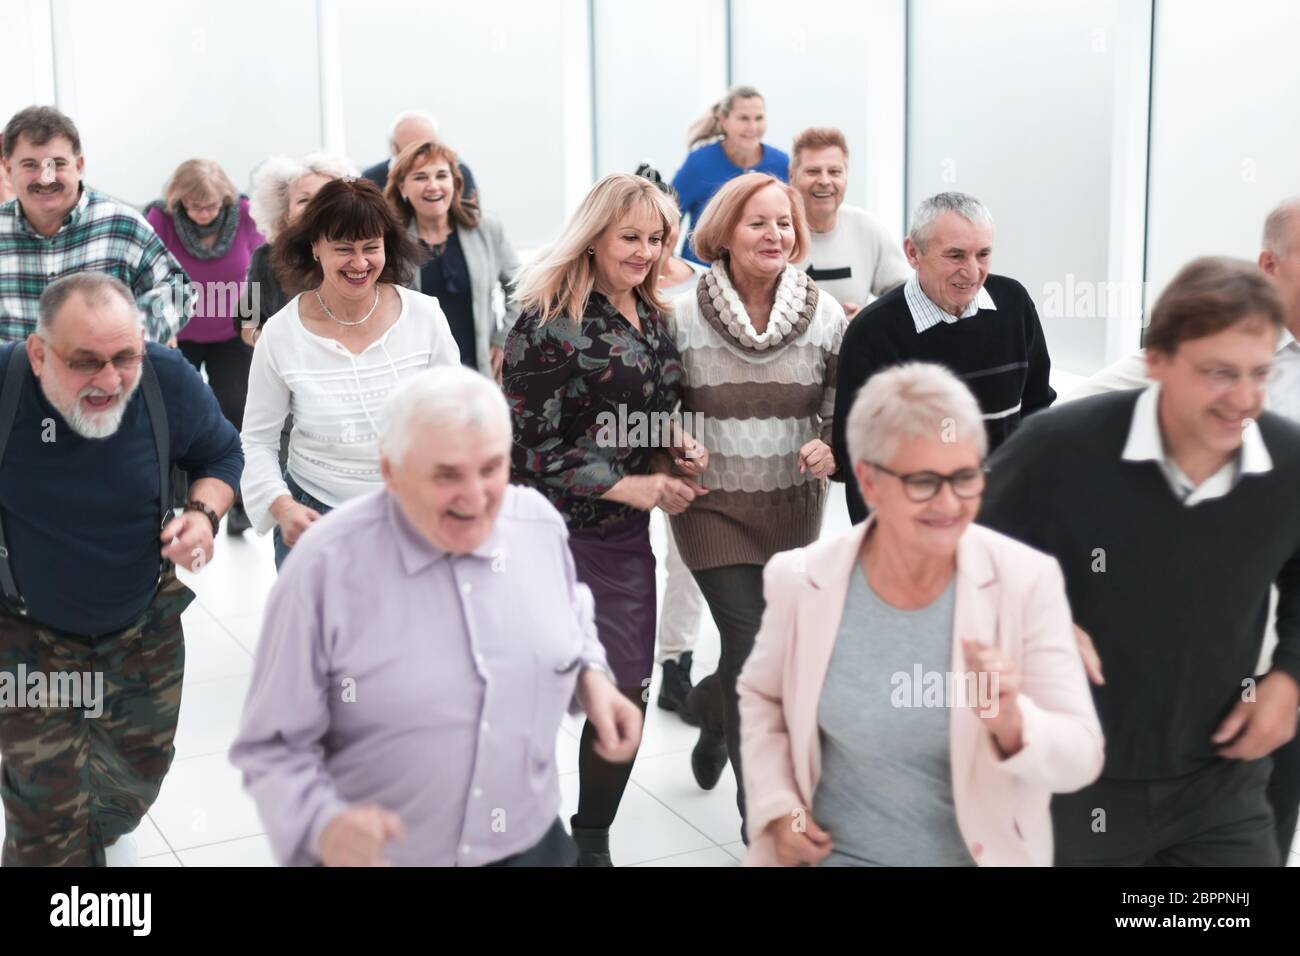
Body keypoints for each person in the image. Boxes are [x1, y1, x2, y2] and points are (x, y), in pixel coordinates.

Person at [230, 366, 641, 866]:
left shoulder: (536, 523)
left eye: (491, 469)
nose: (474, 497)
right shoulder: (324, 567)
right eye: (447, 475)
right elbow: (270, 747)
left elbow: (570, 612)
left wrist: (591, 677)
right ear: (390, 471)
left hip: (530, 841)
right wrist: (322, 826)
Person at [980, 256, 1300, 866]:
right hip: (1076, 782)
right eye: (1219, 374)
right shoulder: (1060, 447)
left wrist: (1290, 673)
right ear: (1156, 362)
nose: (1245, 400)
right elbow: (960, 558)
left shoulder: (1287, 463)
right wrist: (1031, 619)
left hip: (1221, 782)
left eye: (1260, 374)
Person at [739, 362, 1103, 866]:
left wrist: (1014, 723)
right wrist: (781, 809)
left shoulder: (1025, 580)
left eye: (965, 477)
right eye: (924, 481)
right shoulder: (800, 580)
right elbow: (763, 699)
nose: (949, 503)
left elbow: (1081, 756)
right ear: (867, 480)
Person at [1064, 197, 1300, 864]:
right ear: (1269, 264)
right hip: (1170, 665)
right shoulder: (1205, 349)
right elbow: (1064, 433)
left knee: (1262, 835)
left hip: (1280, 664)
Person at [0, 272, 242, 866]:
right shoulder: (4, 386)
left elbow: (219, 453)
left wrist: (204, 514)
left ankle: (96, 826)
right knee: (47, 817)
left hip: (142, 627)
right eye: (85, 363)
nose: (109, 381)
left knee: (133, 783)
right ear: (38, 353)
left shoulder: (165, 380)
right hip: (29, 635)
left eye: (123, 357)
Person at [503, 172, 707, 865]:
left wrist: (670, 441)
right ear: (593, 237)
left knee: (626, 688)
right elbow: (529, 450)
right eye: (630, 237)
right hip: (545, 534)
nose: (645, 251)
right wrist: (638, 488)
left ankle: (592, 836)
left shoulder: (653, 315)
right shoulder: (546, 319)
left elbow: (649, 405)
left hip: (620, 542)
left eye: (656, 239)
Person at [667, 172, 846, 836]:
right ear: (723, 233)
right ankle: (761, 817)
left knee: (766, 654)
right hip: (711, 506)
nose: (775, 234)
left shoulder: (824, 314)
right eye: (758, 222)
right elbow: (658, 412)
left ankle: (716, 712)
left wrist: (832, 445)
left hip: (792, 509)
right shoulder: (681, 315)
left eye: (784, 223)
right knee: (750, 642)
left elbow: (838, 409)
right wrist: (673, 442)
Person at [239, 177, 460, 570]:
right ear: (315, 248)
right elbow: (257, 441)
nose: (360, 263)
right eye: (343, 249)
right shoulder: (281, 333)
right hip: (313, 519)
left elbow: (457, 422)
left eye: (370, 248)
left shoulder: (425, 317)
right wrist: (282, 506)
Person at [832, 191, 1055, 524]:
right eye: (955, 255)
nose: (972, 271)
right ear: (913, 253)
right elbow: (858, 456)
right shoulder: (873, 332)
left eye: (983, 254)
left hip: (1003, 518)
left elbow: (1037, 407)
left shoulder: (1014, 303)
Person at [0, 106, 191, 343]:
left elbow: (179, 293)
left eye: (57, 164)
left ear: (79, 166)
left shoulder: (121, 225)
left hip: (106, 378)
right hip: (14, 378)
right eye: (30, 165)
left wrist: (126, 337)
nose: (45, 178)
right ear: (8, 169)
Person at [146, 160, 264, 534]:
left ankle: (241, 500)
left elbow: (257, 271)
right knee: (177, 412)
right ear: (179, 200)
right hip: (180, 330)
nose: (203, 213)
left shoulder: (245, 214)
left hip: (232, 331)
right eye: (195, 206)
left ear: (224, 199)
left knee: (237, 408)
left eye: (211, 206)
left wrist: (252, 319)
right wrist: (160, 325)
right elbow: (150, 274)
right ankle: (182, 496)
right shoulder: (161, 219)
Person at [635, 162, 707, 724]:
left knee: (687, 555)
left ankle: (675, 664)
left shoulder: (705, 280)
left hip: (696, 432)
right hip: (632, 431)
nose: (656, 239)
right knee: (641, 550)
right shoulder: (620, 283)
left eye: (665, 225)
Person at [386, 140, 519, 378]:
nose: (433, 186)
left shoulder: (487, 228)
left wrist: (505, 337)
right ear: (402, 187)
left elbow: (521, 286)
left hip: (479, 369)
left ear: (455, 183)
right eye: (420, 177)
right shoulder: (390, 242)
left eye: (441, 175)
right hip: (418, 373)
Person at [788, 127, 910, 320]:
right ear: (792, 176)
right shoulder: (774, 232)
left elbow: (907, 297)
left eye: (835, 172)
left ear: (846, 176)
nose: (825, 180)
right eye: (813, 171)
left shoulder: (868, 229)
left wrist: (869, 319)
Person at [241, 152, 359, 346]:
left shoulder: (364, 254)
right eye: (303, 200)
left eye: (325, 197)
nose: (315, 207)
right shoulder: (264, 258)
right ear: (284, 214)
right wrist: (266, 343)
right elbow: (249, 321)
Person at [671, 86, 789, 266]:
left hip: (760, 273)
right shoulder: (698, 163)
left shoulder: (781, 163)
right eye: (743, 118)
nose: (752, 127)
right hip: (702, 274)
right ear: (723, 120)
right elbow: (668, 215)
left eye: (759, 118)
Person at [361, 109, 477, 203]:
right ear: (394, 148)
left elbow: (471, 218)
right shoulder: (371, 180)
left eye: (427, 148)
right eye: (410, 150)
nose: (433, 186)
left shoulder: (460, 172)